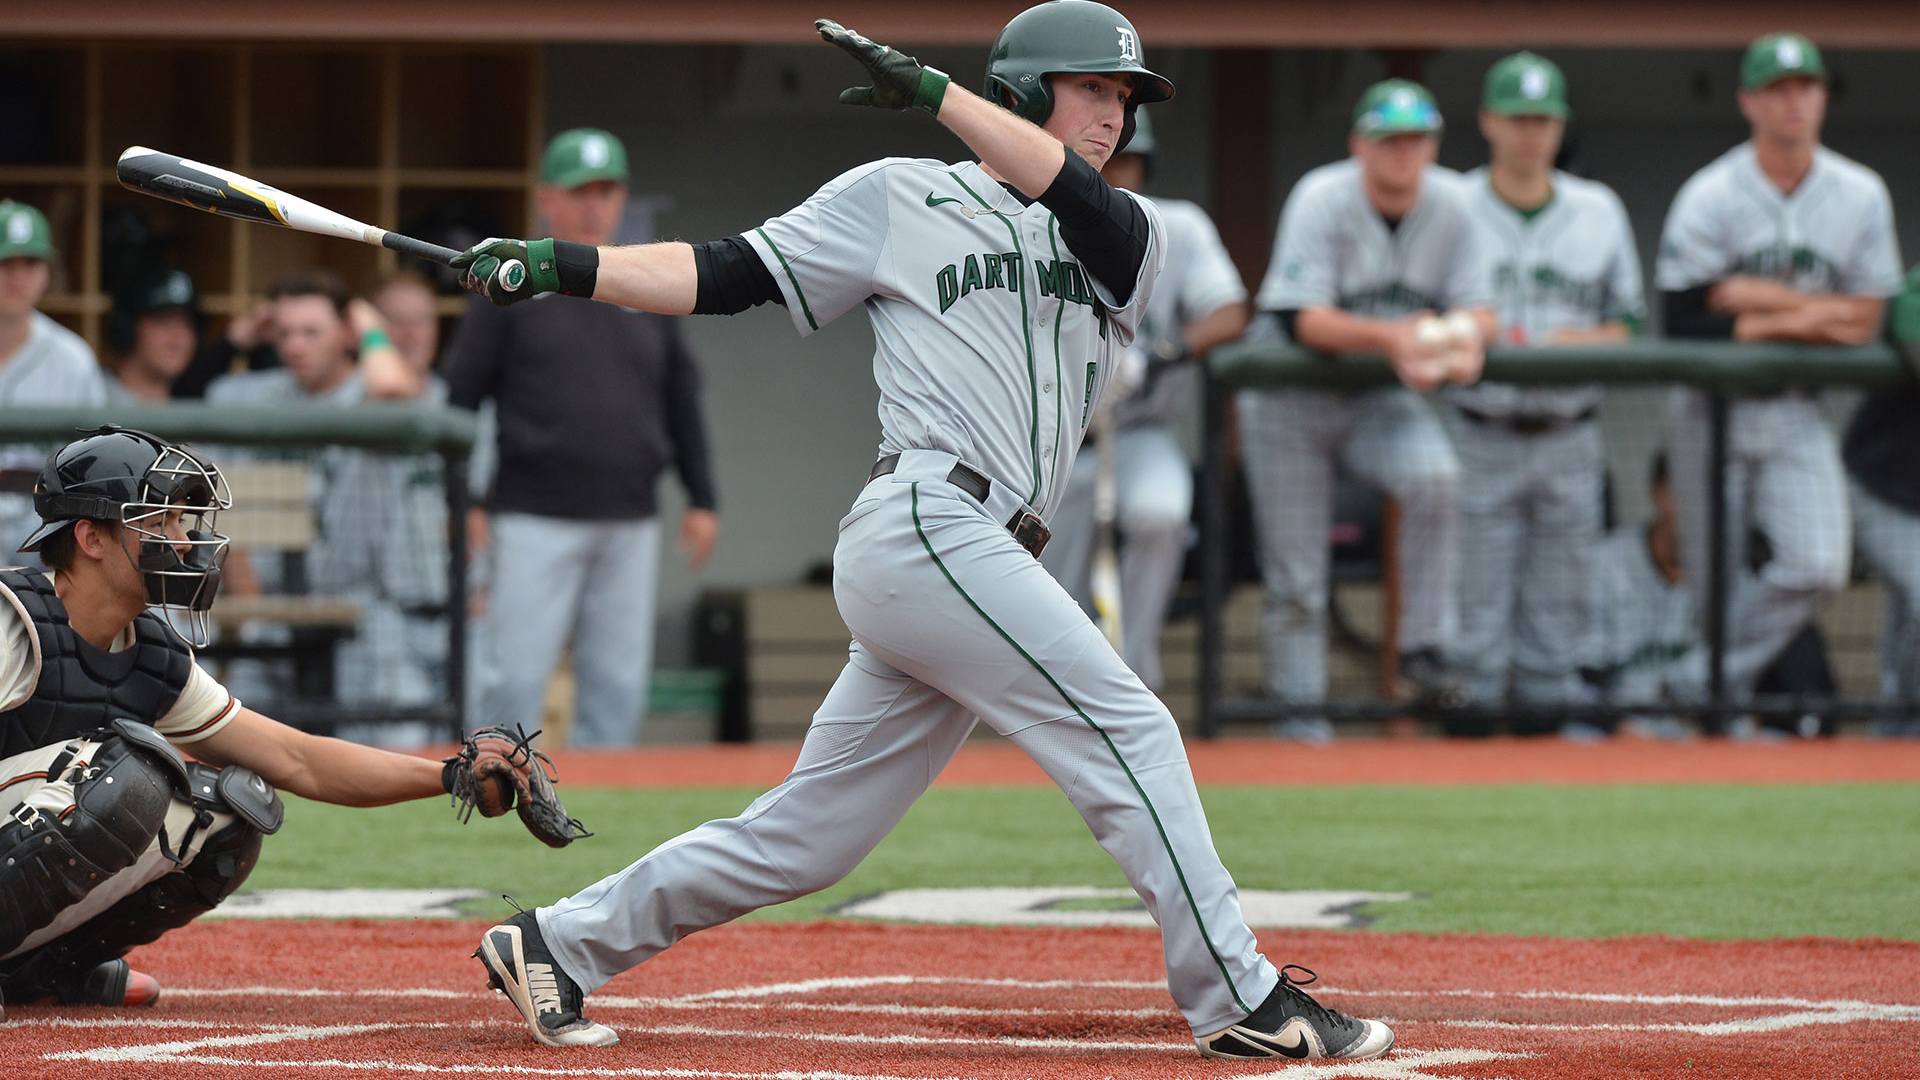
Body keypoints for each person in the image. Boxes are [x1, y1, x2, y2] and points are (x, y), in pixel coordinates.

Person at [447, 3, 1392, 1062]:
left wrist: (943, 96)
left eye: (1124, 97)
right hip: (930, 518)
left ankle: (558, 946)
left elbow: (1078, 202)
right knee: (1131, 728)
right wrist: (566, 265)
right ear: (1030, 91)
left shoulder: (1130, 233)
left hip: (984, 553)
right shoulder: (899, 195)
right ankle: (1245, 999)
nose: (1114, 114)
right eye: (1093, 89)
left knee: (810, 838)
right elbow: (727, 273)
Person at [0, 427, 490, 1015]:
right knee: (118, 782)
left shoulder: (151, 655)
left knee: (227, 813)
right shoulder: (14, 622)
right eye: (161, 523)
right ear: (91, 538)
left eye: (183, 521)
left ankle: (40, 972)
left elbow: (299, 760)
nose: (183, 542)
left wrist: (450, 775)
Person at [441, 128, 720, 748]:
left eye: (606, 190)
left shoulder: (647, 278)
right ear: (548, 198)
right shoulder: (511, 282)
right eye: (580, 191)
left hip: (630, 514)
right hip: (531, 514)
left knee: (618, 682)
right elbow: (460, 398)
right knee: (515, 676)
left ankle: (603, 812)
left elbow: (682, 398)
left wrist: (703, 497)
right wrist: (466, 502)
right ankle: (494, 788)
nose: (595, 205)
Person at [1239, 80, 1495, 733]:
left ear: (1433, 144)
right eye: (1388, 139)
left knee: (1436, 478)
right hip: (1291, 400)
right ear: (1360, 144)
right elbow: (1300, 320)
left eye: (1415, 138)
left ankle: (1422, 647)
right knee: (1298, 580)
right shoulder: (1323, 196)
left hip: (1378, 398)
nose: (1402, 152)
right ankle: (1302, 727)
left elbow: (1480, 307)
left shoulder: (1458, 203)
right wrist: (1391, 338)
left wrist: (1467, 342)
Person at [1656, 32, 1904, 706]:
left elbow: (1864, 322)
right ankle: (1719, 724)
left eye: (1806, 87)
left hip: (1797, 408)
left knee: (1820, 566)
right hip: (1709, 407)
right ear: (1748, 102)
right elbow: (1683, 318)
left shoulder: (1860, 194)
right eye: (1778, 89)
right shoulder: (1711, 192)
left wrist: (1767, 302)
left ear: (1823, 97)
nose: (1795, 101)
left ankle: (1687, 686)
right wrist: (1818, 313)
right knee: (1713, 585)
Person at [1446, 53, 1645, 714]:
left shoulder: (1600, 210)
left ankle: (1548, 758)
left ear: (1561, 127)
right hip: (1479, 429)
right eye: (1517, 118)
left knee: (1560, 609)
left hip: (1568, 432)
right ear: (1488, 122)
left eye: (1544, 119)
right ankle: (1470, 750)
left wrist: (1558, 344)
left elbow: (1629, 326)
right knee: (1474, 610)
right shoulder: (1451, 203)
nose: (1531, 133)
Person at [1038, 111, 1248, 691]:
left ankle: (1135, 678)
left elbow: (1229, 313)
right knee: (1051, 596)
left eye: (1125, 158)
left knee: (1161, 513)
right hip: (1050, 442)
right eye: (1100, 158)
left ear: (1143, 166)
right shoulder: (1032, 222)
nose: (1111, 171)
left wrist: (1159, 353)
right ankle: (1065, 705)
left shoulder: (1175, 227)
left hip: (1137, 432)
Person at [0, 199, 107, 568]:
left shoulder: (71, 358)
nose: (17, 277)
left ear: (47, 272)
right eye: (5, 263)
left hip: (42, 548)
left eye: (30, 263)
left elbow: (93, 471)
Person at [1842, 264, 1920, 735]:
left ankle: (1890, 736)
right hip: (1882, 488)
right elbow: (1912, 335)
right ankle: (1904, 733)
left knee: (1908, 620)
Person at [1584, 453, 1707, 733]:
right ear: (1657, 495)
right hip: (1612, 728)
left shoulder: (1728, 570)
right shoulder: (1606, 563)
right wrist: (1616, 727)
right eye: (1682, 495)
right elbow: (1581, 678)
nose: (1694, 509)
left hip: (1688, 729)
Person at [104, 267, 201, 404]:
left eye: (187, 324)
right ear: (127, 328)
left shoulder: (194, 408)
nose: (176, 334)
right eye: (162, 320)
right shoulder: (90, 395)